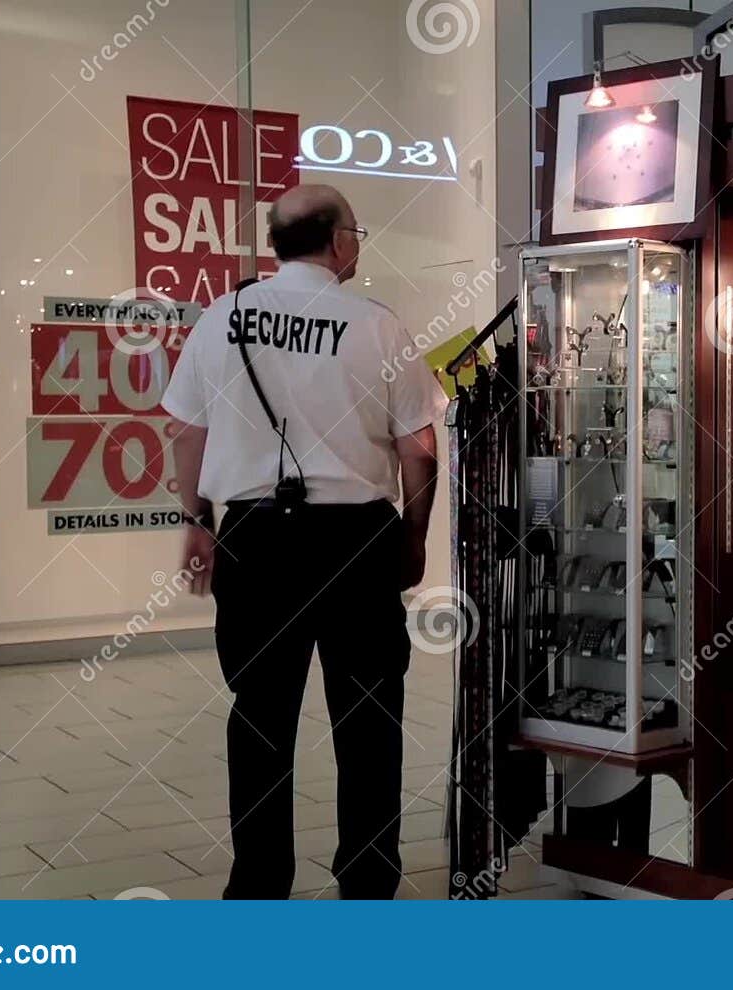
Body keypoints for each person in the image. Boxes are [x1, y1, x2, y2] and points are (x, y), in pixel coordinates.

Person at [161, 184, 447, 900]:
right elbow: (420, 450)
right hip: (357, 541)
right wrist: (411, 538)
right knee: (369, 720)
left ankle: (258, 887)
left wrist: (198, 520)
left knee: (259, 718)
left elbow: (185, 431)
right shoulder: (376, 325)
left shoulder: (221, 319)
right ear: (340, 240)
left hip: (256, 542)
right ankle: (368, 883)